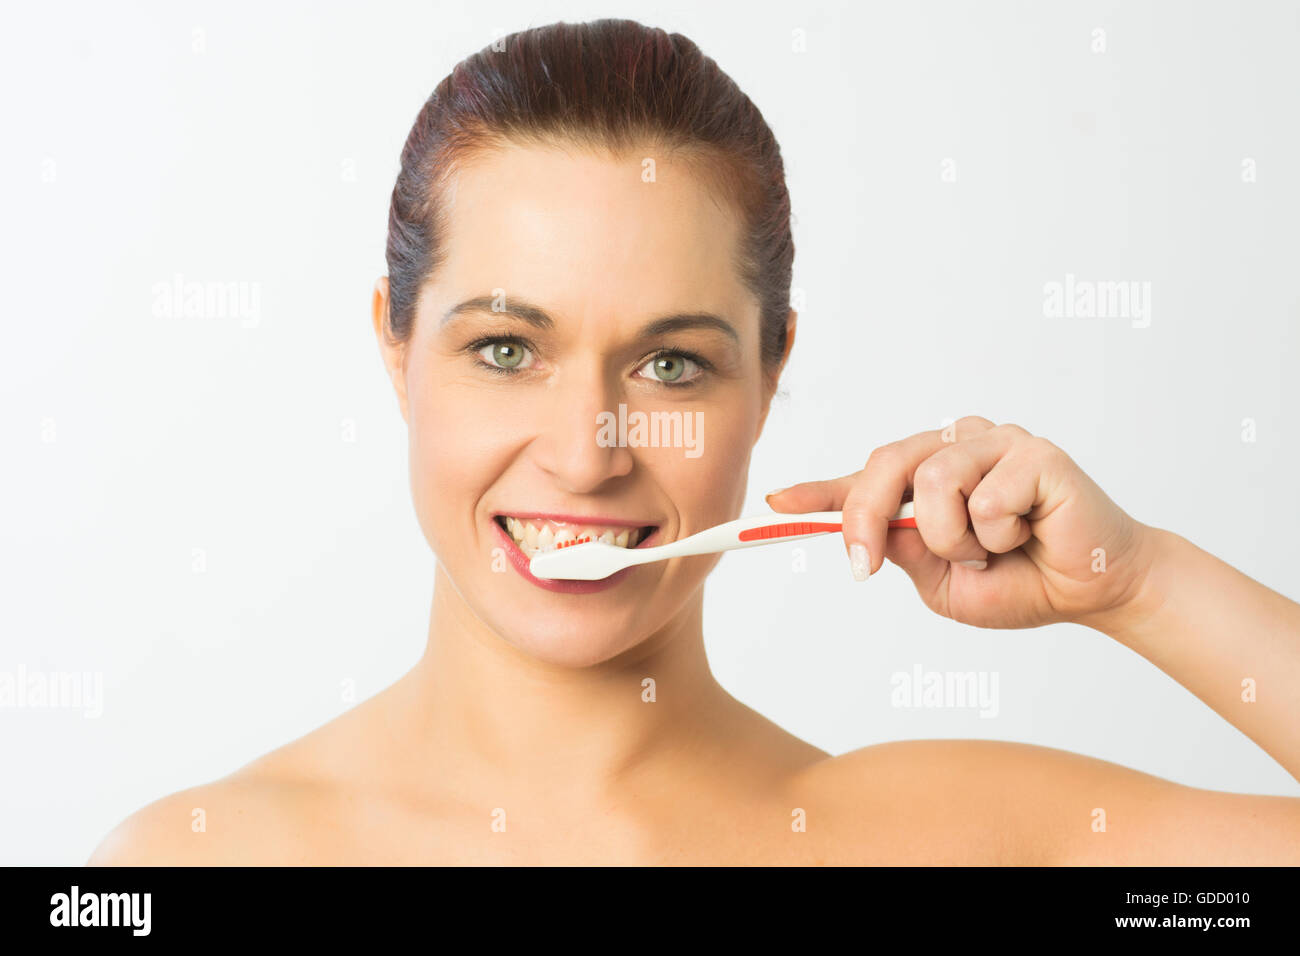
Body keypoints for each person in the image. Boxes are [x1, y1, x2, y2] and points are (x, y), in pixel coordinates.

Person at [90, 18, 1300, 865]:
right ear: (396, 345)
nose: (586, 449)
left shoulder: (951, 843)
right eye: (507, 347)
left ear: (771, 370)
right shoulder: (192, 863)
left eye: (671, 362)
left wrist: (1139, 581)